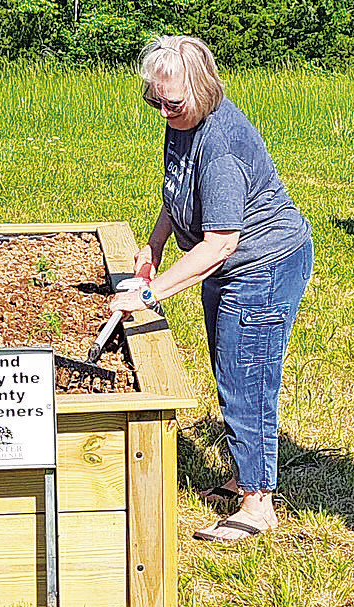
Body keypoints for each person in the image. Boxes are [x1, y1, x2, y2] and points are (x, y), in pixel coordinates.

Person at [111, 36, 313, 543]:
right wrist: (154, 247)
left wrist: (151, 295)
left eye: (171, 103)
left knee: (248, 376)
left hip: (262, 265)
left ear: (202, 90)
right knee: (231, 369)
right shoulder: (183, 123)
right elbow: (176, 189)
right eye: (153, 102)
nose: (161, 113)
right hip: (228, 263)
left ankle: (258, 502)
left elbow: (220, 244)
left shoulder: (220, 144)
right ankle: (246, 472)